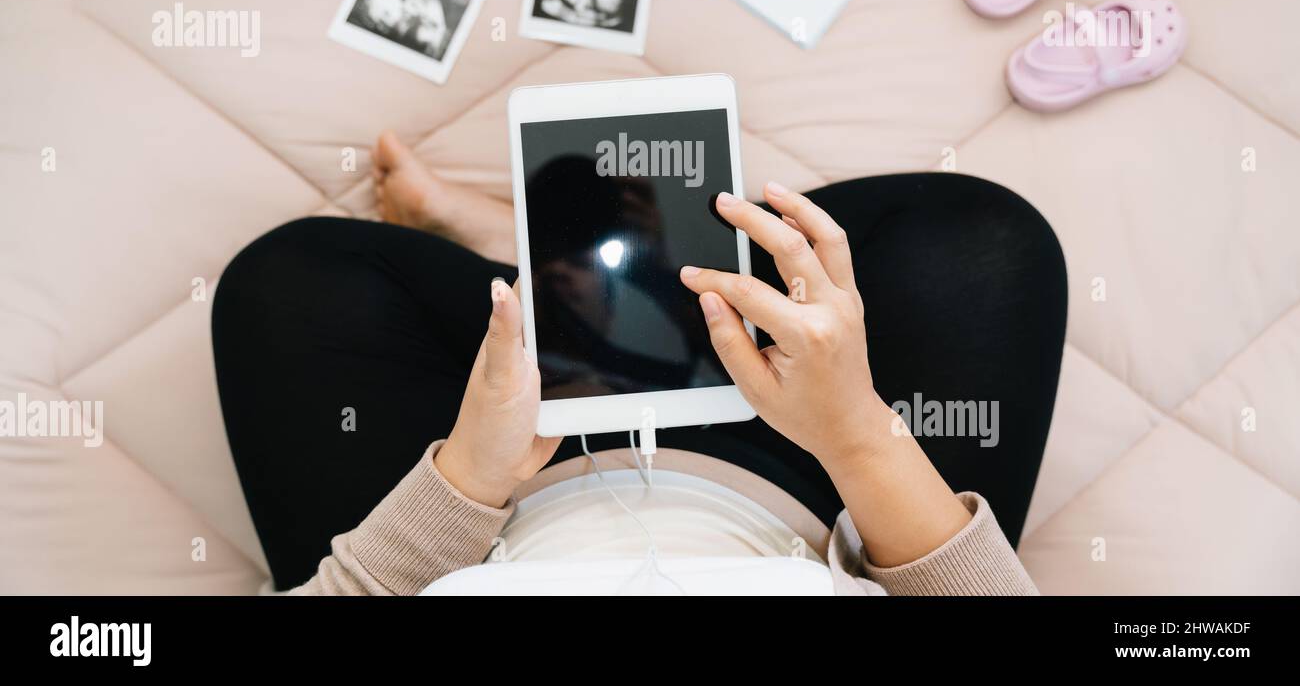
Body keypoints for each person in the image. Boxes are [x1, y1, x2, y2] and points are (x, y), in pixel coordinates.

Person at [212, 131, 1065, 595]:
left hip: (492, 501)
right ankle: (621, 276)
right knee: (977, 238)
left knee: (288, 279)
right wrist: (856, 433)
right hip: (799, 480)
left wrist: (466, 479)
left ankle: (547, 271)